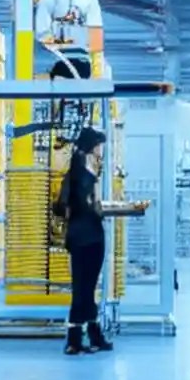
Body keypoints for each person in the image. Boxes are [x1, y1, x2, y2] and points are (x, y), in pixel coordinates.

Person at [53, 126, 111, 355]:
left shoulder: (78, 172)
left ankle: (88, 337)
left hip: (81, 236)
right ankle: (76, 338)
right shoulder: (84, 175)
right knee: (84, 288)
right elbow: (90, 206)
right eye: (99, 144)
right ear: (92, 147)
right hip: (89, 237)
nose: (100, 149)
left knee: (85, 287)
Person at [34, 0, 104, 80]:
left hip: (82, 60)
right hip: (57, 59)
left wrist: (97, 69)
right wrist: (58, 46)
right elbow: (42, 32)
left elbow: (95, 33)